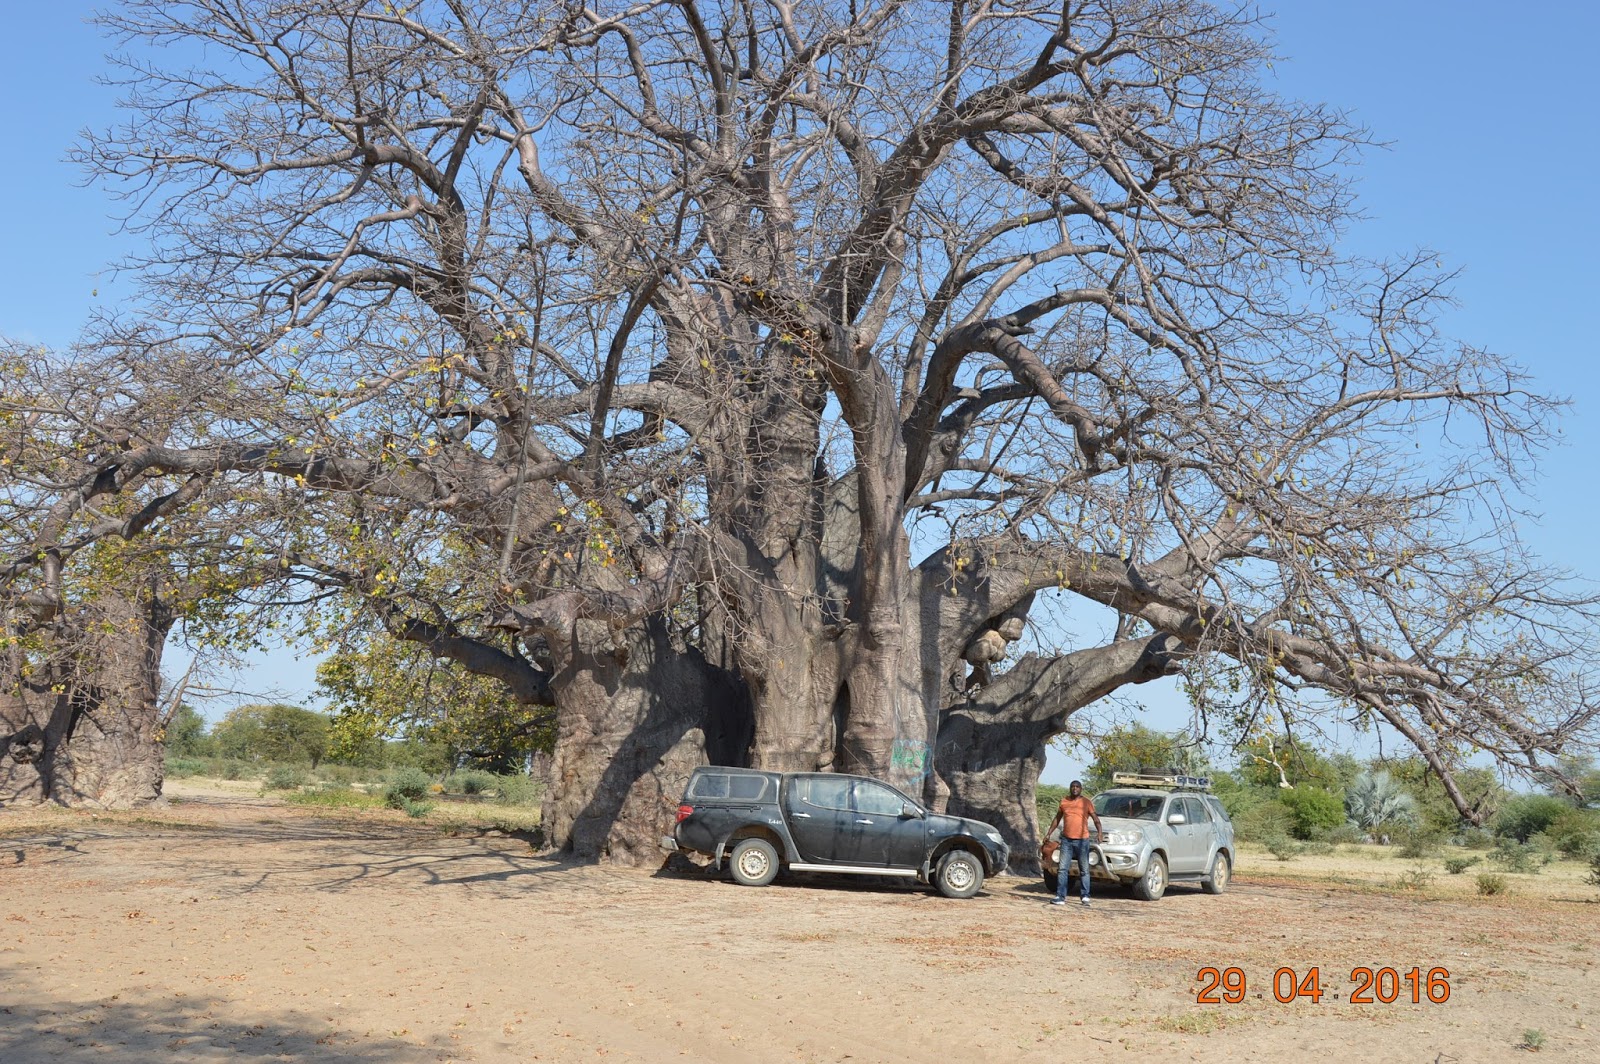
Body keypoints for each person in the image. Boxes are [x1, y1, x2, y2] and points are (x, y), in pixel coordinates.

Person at [1047, 779, 1103, 907]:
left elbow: (1095, 819)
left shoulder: (1086, 802)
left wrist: (1100, 832)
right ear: (1070, 788)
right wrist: (1049, 833)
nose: (1075, 788)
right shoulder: (1064, 801)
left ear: (1081, 789)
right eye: (1073, 786)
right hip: (1066, 840)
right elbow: (1057, 818)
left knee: (1084, 869)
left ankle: (1085, 896)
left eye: (1077, 786)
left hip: (1082, 840)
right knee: (1062, 869)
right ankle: (1060, 896)